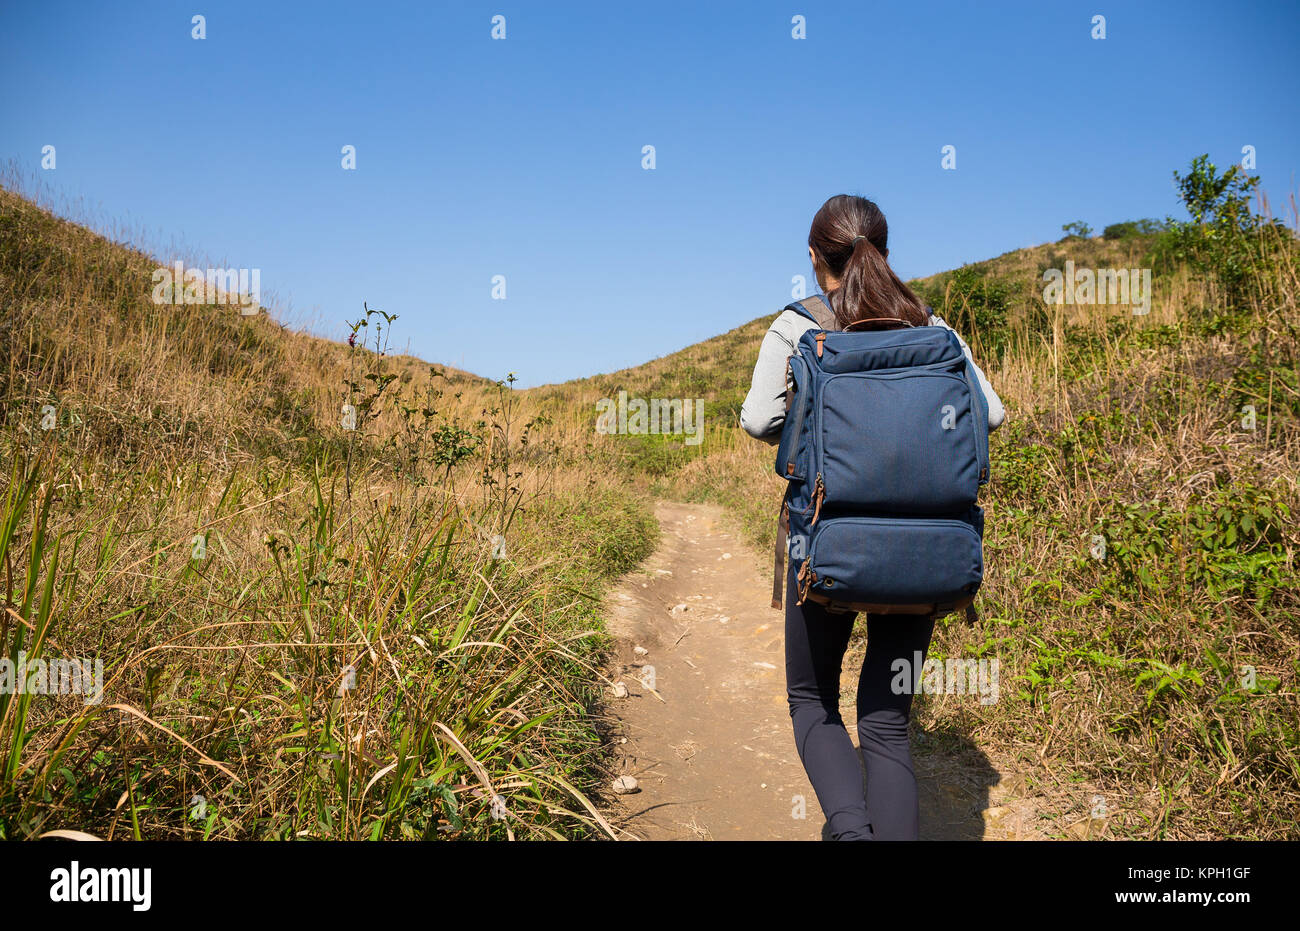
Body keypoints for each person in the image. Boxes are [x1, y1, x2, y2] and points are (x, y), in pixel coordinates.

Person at [740, 194, 1006, 840]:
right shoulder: (935, 329)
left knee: (814, 699)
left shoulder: (799, 325)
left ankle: (851, 828)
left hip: (825, 541)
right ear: (884, 252)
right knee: (886, 720)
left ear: (813, 257)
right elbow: (990, 415)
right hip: (924, 552)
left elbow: (756, 420)